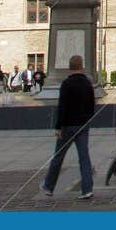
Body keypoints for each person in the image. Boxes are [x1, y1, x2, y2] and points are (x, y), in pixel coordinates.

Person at [41, 54, 97, 199]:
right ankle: (87, 189)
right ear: (81, 66)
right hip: (82, 125)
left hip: (67, 126)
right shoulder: (87, 83)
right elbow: (92, 105)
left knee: (58, 157)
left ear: (69, 67)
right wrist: (87, 119)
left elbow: (62, 107)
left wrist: (58, 127)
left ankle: (49, 186)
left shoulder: (67, 84)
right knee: (84, 157)